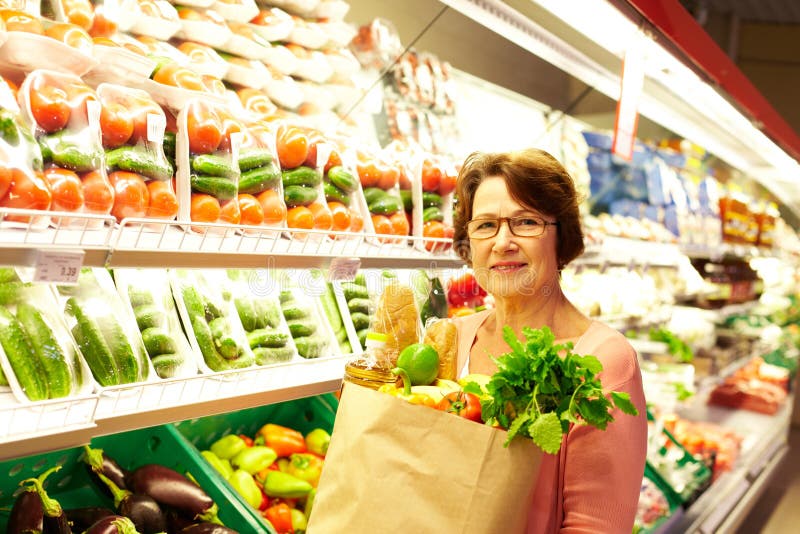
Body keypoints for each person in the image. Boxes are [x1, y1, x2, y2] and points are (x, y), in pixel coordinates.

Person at [451, 148, 647, 534]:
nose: (502, 242)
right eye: (486, 225)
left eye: (526, 222)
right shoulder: (454, 338)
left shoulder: (604, 363)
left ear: (562, 237)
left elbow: (595, 527)